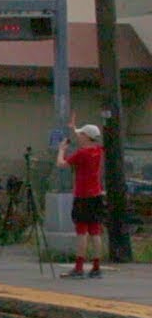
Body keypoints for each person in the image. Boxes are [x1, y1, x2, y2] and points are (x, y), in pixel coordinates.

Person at [55, 119, 106, 278]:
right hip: (96, 195)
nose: (79, 136)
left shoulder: (81, 153)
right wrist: (75, 128)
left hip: (83, 196)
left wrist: (61, 150)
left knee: (82, 232)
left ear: (86, 136)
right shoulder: (99, 150)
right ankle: (96, 267)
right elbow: (87, 135)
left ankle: (78, 268)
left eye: (81, 134)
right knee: (95, 232)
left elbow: (61, 164)